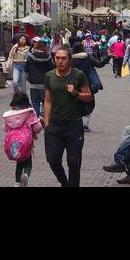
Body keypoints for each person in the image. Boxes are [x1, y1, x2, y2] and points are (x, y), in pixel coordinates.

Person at [42, 46, 91, 187]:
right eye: (57, 58)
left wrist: (75, 93)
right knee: (53, 160)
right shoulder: (49, 76)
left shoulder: (78, 75)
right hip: (55, 125)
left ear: (70, 60)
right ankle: (64, 182)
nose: (60, 61)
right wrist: (46, 122)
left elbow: (88, 96)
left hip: (74, 125)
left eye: (63, 58)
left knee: (73, 162)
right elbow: (47, 100)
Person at [3, 90, 42, 187]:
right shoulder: (29, 113)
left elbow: (5, 128)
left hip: (14, 144)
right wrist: (40, 121)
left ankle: (17, 183)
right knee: (28, 163)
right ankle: (26, 175)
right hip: (26, 143)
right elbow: (37, 128)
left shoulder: (9, 115)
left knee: (19, 163)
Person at [68, 39, 101, 132]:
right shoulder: (88, 57)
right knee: (90, 103)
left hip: (73, 84)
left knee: (75, 102)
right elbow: (99, 64)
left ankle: (76, 123)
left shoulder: (70, 59)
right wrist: (108, 57)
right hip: (87, 83)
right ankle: (84, 124)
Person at [24, 38, 52, 117]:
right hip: (45, 83)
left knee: (35, 103)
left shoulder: (30, 55)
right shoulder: (48, 56)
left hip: (33, 83)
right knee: (45, 101)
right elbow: (52, 68)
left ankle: (37, 119)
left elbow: (26, 69)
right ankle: (44, 117)